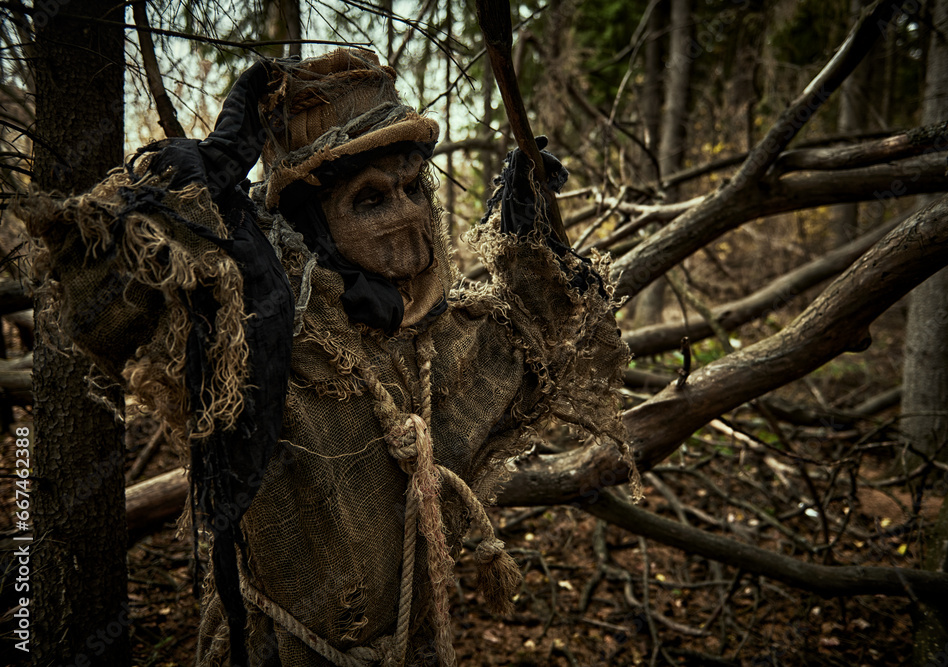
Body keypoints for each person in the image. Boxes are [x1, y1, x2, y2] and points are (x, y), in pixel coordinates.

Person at [20, 48, 636, 666]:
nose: (406, 214)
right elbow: (105, 306)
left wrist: (529, 239)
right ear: (310, 218)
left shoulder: (443, 337)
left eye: (413, 188)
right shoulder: (259, 338)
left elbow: (543, 343)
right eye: (369, 199)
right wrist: (199, 177)